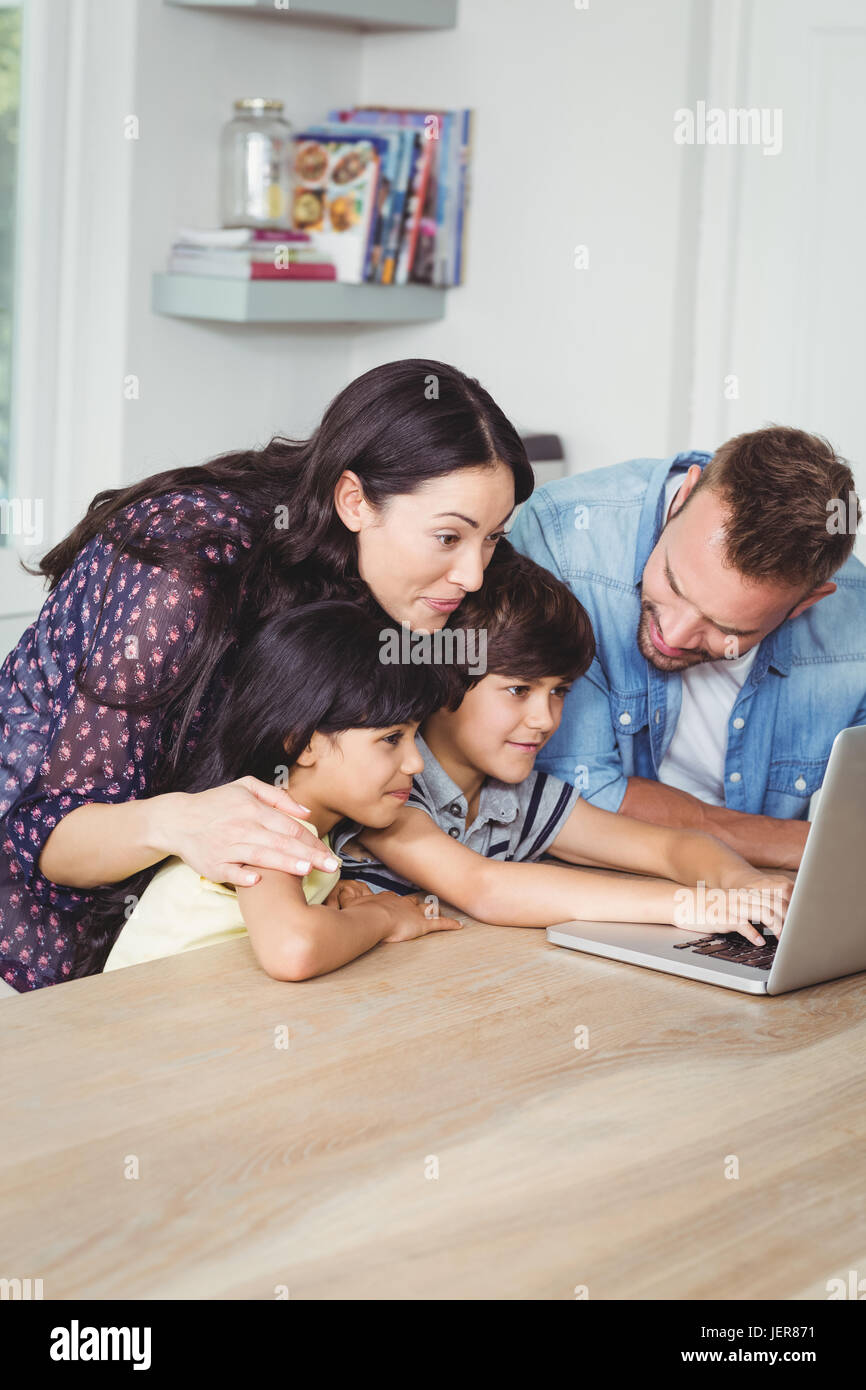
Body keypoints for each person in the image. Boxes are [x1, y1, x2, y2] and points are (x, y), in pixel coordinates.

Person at [0, 359, 532, 992]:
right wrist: (177, 822)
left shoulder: (390, 585)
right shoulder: (183, 570)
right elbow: (44, 840)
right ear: (354, 500)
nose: (473, 574)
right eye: (449, 537)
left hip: (193, 951)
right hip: (36, 947)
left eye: (493, 539)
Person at [331, 545, 792, 943]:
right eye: (519, 690)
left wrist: (744, 882)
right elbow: (484, 888)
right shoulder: (389, 786)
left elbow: (673, 848)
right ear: (443, 678)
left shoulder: (522, 799)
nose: (544, 718)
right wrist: (687, 906)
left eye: (559, 691)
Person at [508, 426, 866, 870]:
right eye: (674, 583)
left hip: (769, 894)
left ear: (804, 604)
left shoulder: (859, 624)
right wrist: (803, 844)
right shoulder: (564, 537)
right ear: (684, 497)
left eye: (723, 627)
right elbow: (564, 795)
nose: (674, 636)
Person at [99, 604, 462, 981]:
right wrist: (383, 917)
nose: (416, 763)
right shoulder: (262, 825)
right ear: (302, 743)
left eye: (414, 737)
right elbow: (293, 951)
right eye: (391, 738)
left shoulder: (297, 824)